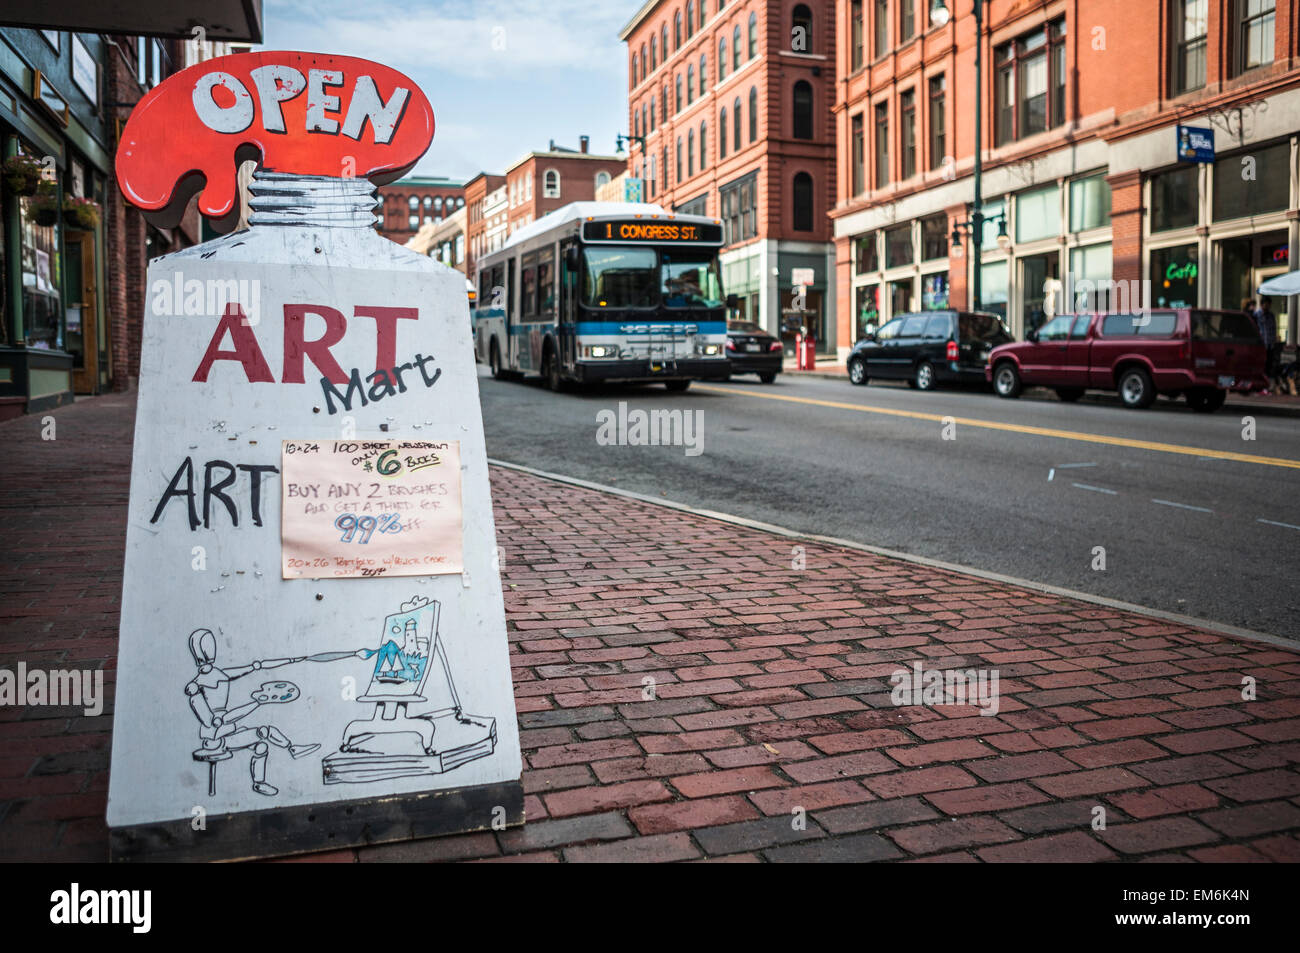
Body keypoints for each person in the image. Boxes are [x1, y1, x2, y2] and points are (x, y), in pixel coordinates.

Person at [1256, 297, 1280, 389]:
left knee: (1269, 364)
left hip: (1270, 344)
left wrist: (1273, 341)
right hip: (1261, 345)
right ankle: (1261, 384)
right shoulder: (1257, 315)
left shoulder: (1271, 316)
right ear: (1262, 304)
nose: (1268, 306)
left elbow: (1273, 329)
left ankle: (1266, 384)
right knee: (1262, 364)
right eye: (1266, 304)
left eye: (1269, 304)